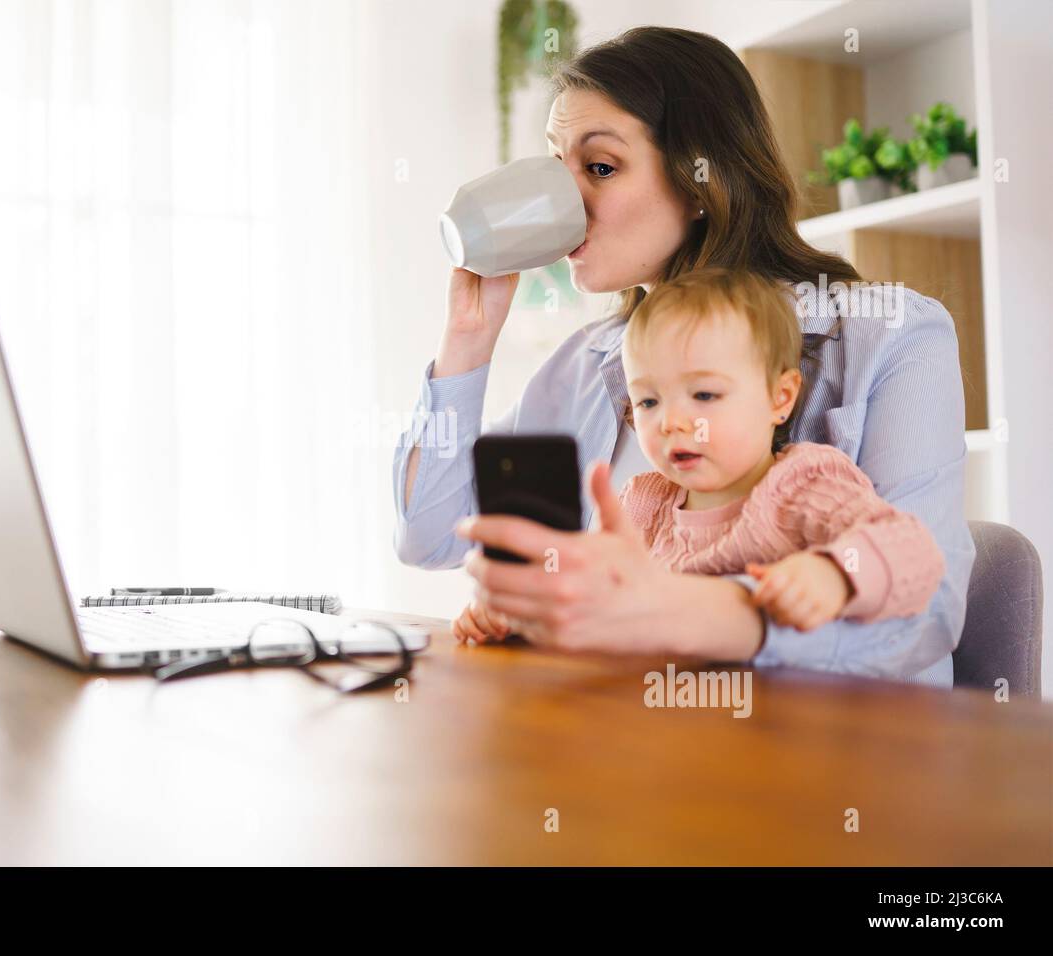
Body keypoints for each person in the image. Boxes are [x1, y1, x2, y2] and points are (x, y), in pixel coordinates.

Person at [392, 26, 973, 686]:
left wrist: (679, 613)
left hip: (834, 753)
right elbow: (431, 535)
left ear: (701, 179)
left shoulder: (888, 335)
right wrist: (466, 341)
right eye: (557, 169)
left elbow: (927, 615)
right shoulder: (588, 363)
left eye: (600, 167)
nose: (567, 200)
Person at [456, 268, 947, 644]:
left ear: (780, 397)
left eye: (705, 396)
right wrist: (522, 613)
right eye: (648, 401)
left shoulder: (804, 483)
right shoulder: (642, 504)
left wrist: (837, 573)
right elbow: (596, 599)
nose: (671, 422)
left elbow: (913, 549)